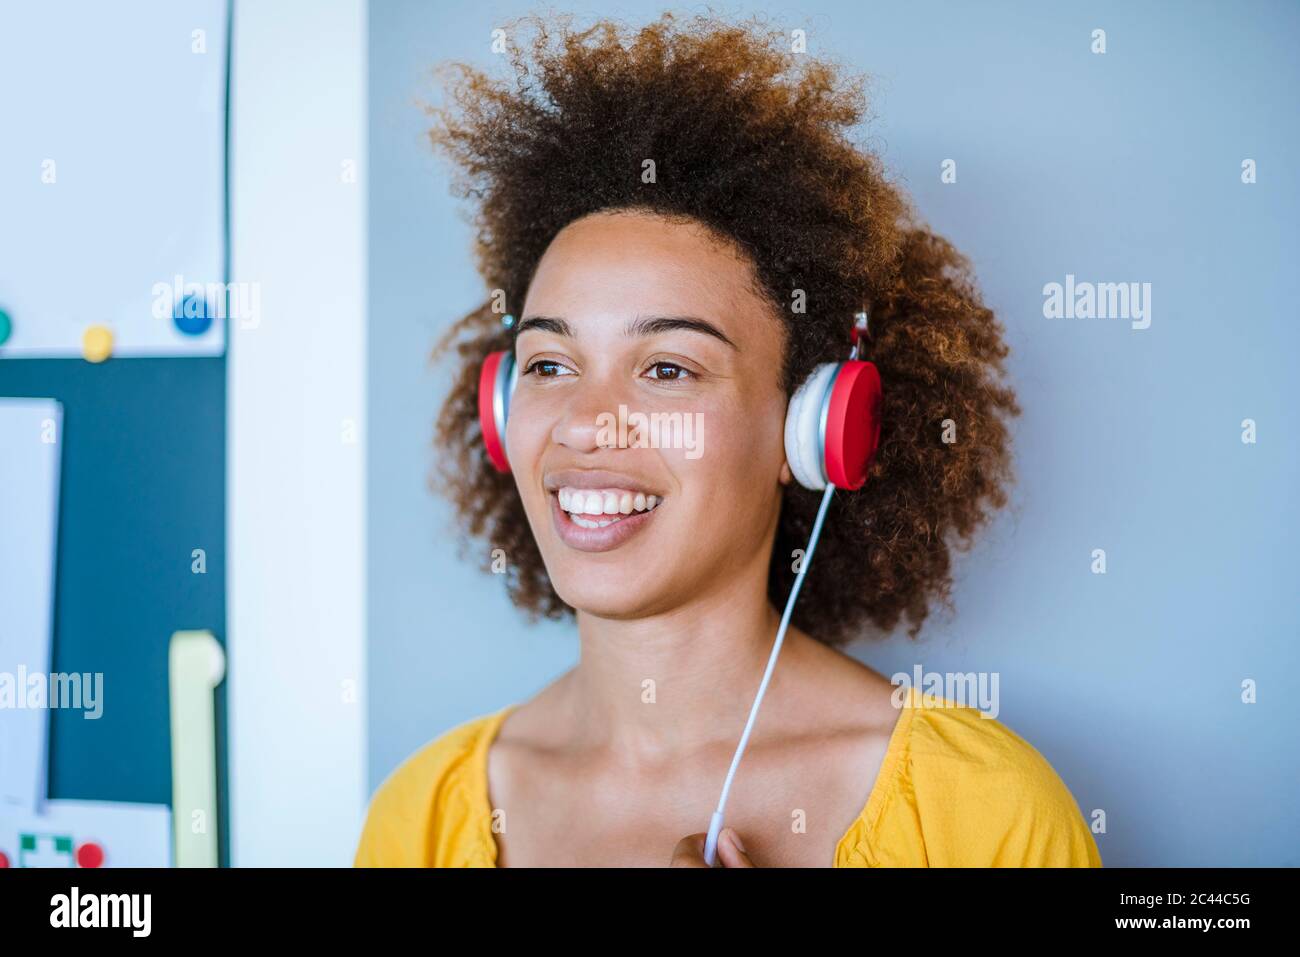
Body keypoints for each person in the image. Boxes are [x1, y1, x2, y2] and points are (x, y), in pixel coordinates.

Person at [354, 12, 1101, 868]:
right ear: (500, 409)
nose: (586, 422)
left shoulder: (981, 812)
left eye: (667, 368)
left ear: (813, 428)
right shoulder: (421, 817)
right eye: (550, 363)